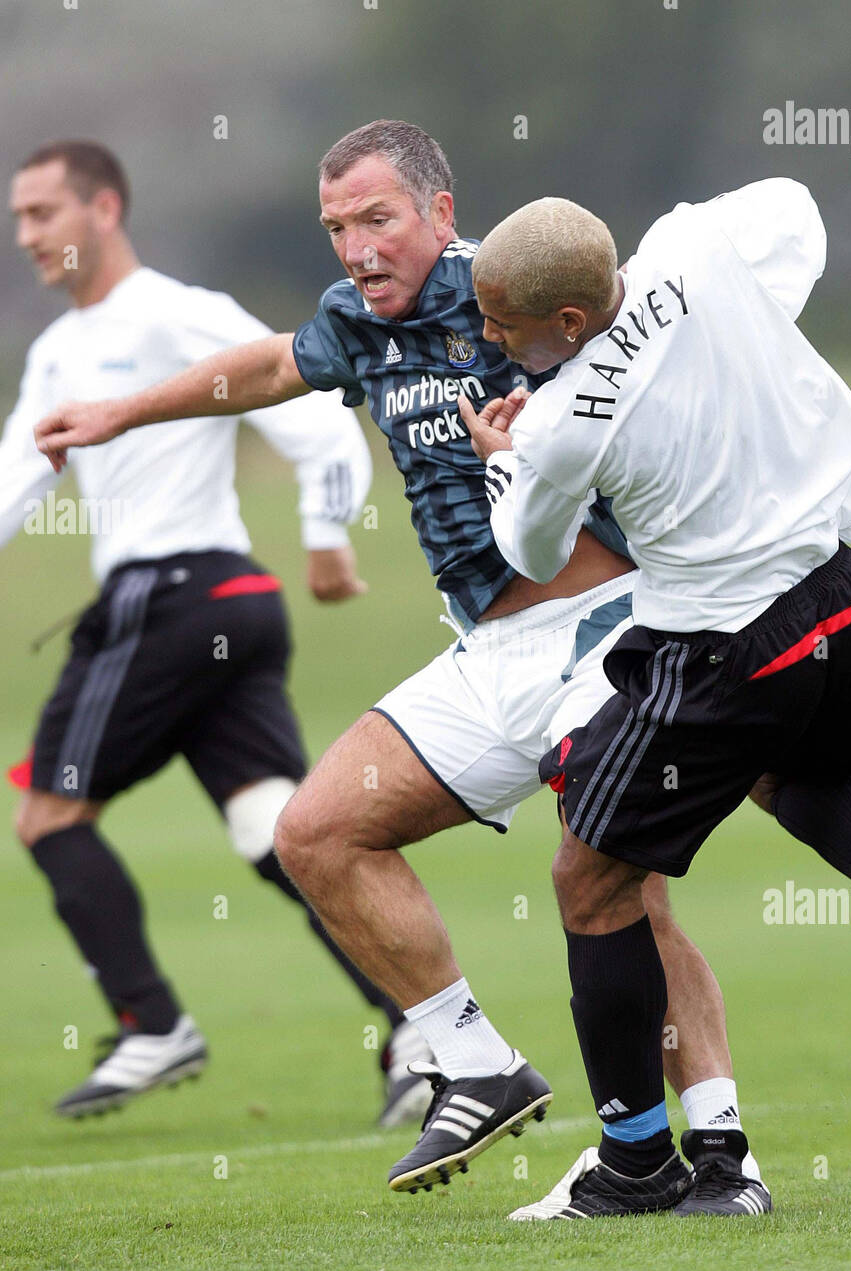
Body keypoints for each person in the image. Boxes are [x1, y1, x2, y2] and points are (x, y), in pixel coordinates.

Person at [33, 122, 771, 1216]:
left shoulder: (518, 291)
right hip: (486, 653)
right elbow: (272, 366)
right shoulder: (350, 323)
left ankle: (722, 1159)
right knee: (316, 830)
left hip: (608, 633)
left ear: (438, 211)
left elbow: (667, 372)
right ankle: (471, 1061)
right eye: (337, 228)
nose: (357, 249)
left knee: (627, 899)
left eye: (377, 220)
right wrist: (122, 412)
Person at [457, 186, 851, 1219]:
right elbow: (799, 207)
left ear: (569, 324)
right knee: (808, 770)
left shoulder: (567, 421)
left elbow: (529, 549)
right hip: (842, 599)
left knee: (591, 879)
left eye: (502, 323)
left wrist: (504, 460)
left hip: (725, 652)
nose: (487, 336)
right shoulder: (692, 243)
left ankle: (633, 1165)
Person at [1, 140, 434, 1129]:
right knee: (276, 831)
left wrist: (329, 532)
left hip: (172, 600)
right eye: (18, 219)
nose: (27, 235)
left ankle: (151, 1021)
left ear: (104, 208)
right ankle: (419, 1023)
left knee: (49, 817)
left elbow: (313, 398)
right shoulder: (58, 352)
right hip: (230, 610)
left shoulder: (170, 310)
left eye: (42, 213)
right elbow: (19, 474)